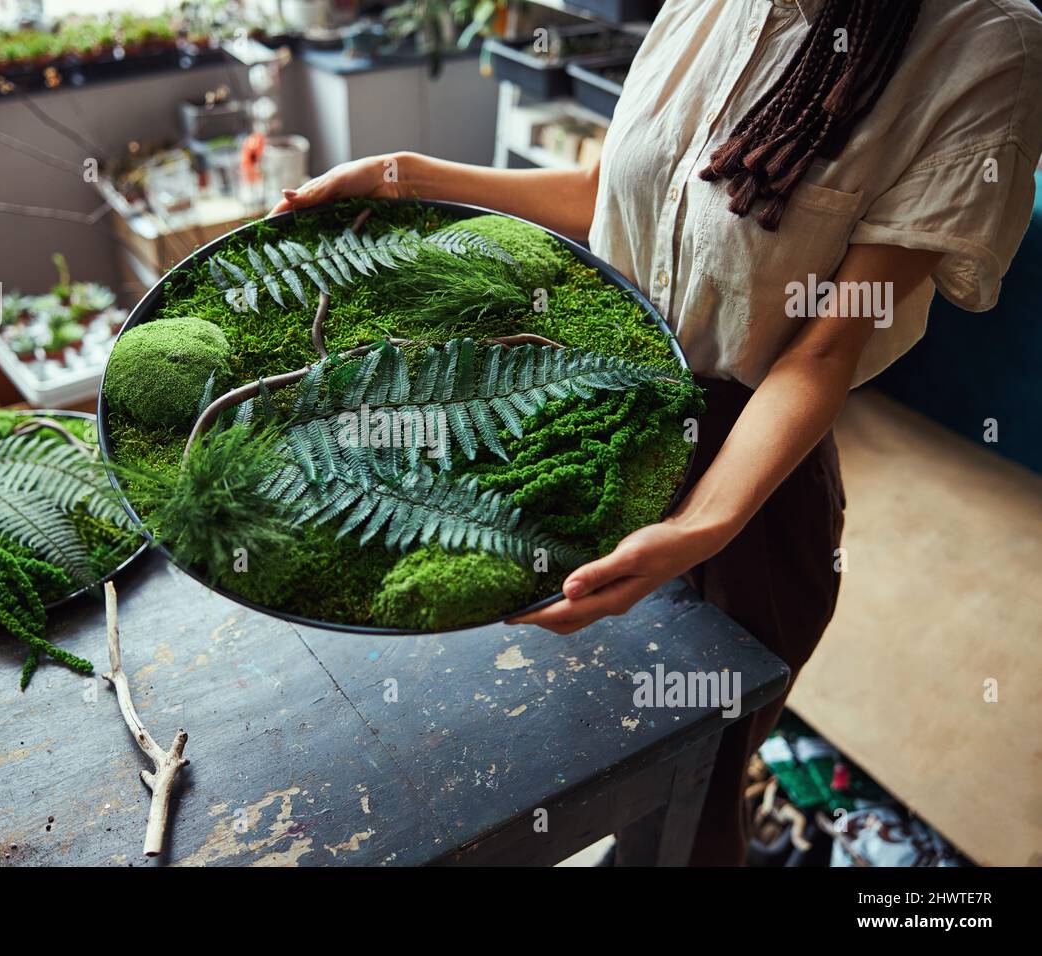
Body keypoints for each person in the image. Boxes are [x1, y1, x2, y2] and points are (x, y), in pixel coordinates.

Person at [271, 0, 1042, 864]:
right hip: (583, 419)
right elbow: (622, 186)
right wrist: (402, 176)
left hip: (743, 476)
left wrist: (697, 524)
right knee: (538, 751)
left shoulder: (981, 43)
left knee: (687, 790)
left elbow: (827, 343)